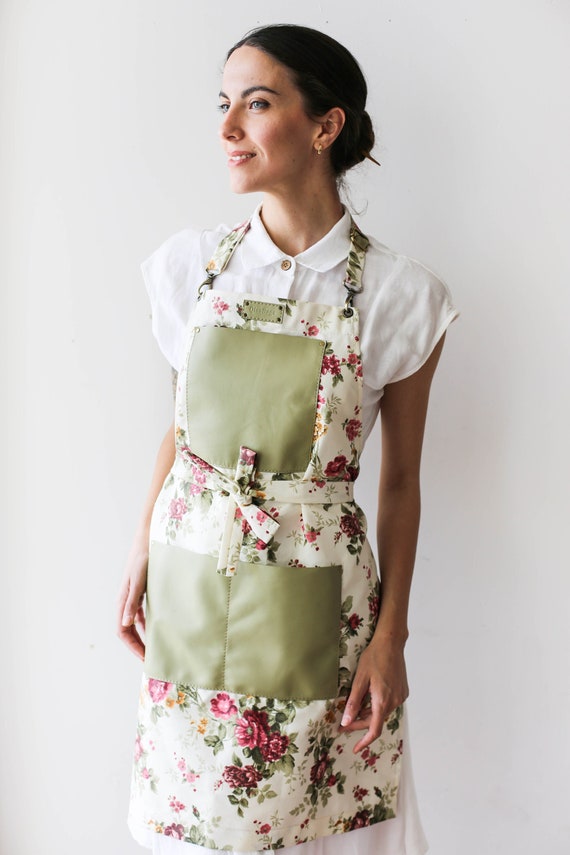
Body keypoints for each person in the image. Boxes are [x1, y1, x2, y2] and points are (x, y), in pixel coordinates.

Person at [118, 23, 458, 855]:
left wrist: (391, 636)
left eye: (257, 103)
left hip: (322, 605)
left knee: (319, 825)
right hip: (192, 582)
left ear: (324, 125)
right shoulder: (190, 269)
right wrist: (139, 552)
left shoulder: (401, 297)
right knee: (190, 821)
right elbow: (181, 432)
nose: (228, 127)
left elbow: (401, 483)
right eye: (223, 104)